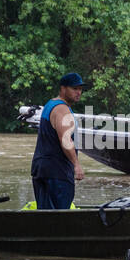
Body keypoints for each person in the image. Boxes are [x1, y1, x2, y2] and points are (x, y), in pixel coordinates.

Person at [30, 72, 86, 209]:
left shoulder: (50, 104)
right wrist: (76, 165)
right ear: (63, 88)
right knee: (59, 217)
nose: (78, 92)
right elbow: (66, 140)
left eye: (80, 89)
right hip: (57, 172)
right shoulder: (62, 109)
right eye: (74, 88)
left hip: (41, 168)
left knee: (45, 214)